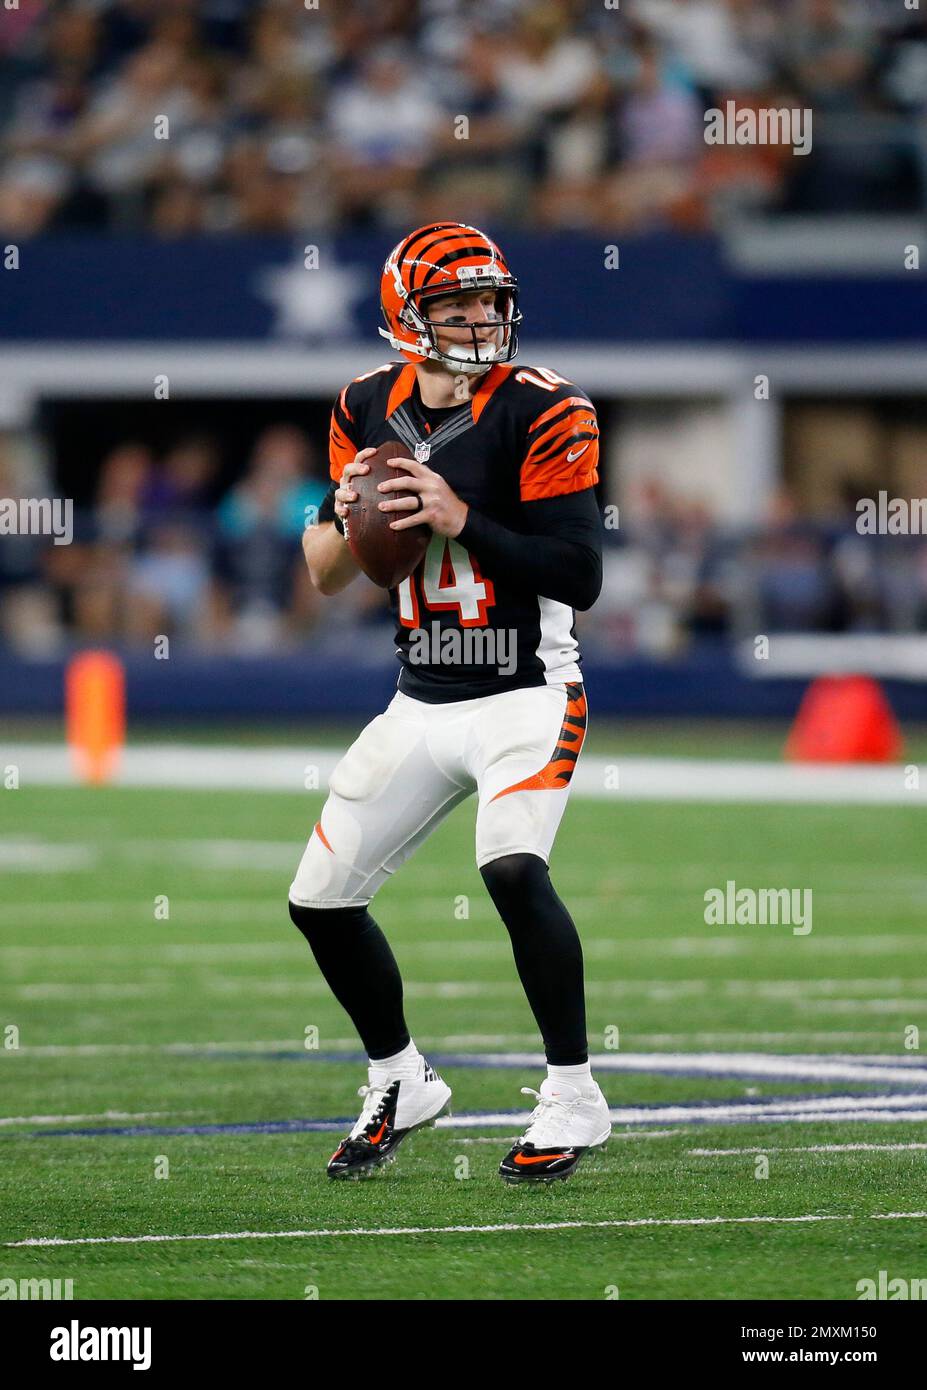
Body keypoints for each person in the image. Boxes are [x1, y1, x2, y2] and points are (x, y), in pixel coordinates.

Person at [290, 221, 609, 1183]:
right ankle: (400, 1078)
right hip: (420, 696)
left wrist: (462, 518)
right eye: (455, 305)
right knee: (319, 901)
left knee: (512, 870)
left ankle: (573, 1095)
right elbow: (321, 576)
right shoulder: (361, 405)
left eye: (488, 302)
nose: (479, 320)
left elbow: (580, 574)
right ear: (405, 316)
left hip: (525, 690)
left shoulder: (546, 410)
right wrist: (351, 514)